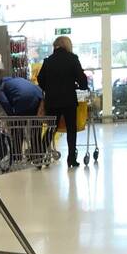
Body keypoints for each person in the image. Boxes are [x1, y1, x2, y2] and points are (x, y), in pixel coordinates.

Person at [35, 35, 89, 167]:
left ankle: (39, 157)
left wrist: (49, 88)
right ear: (67, 45)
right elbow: (82, 80)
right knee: (71, 129)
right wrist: (78, 86)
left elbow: (40, 79)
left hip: (52, 101)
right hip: (69, 100)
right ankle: (71, 159)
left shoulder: (48, 61)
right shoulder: (72, 59)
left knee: (51, 129)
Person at [0, 75, 46, 159]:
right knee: (36, 129)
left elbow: (5, 103)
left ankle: (17, 156)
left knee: (17, 130)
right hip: (38, 96)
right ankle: (37, 154)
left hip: (22, 100)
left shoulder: (1, 87)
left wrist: (12, 116)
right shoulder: (19, 79)